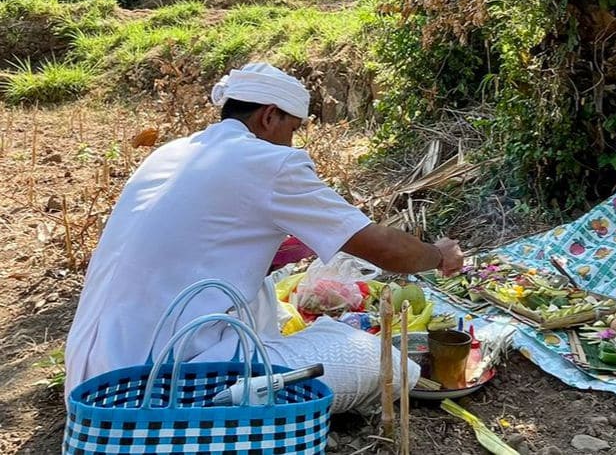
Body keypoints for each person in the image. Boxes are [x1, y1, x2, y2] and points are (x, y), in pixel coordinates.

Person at [64, 62, 464, 412]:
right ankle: (221, 398)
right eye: (293, 128)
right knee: (387, 365)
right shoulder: (269, 162)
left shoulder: (172, 151)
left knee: (263, 288)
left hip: (94, 375)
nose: (293, 140)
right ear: (269, 117)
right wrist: (437, 253)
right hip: (161, 386)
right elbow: (385, 250)